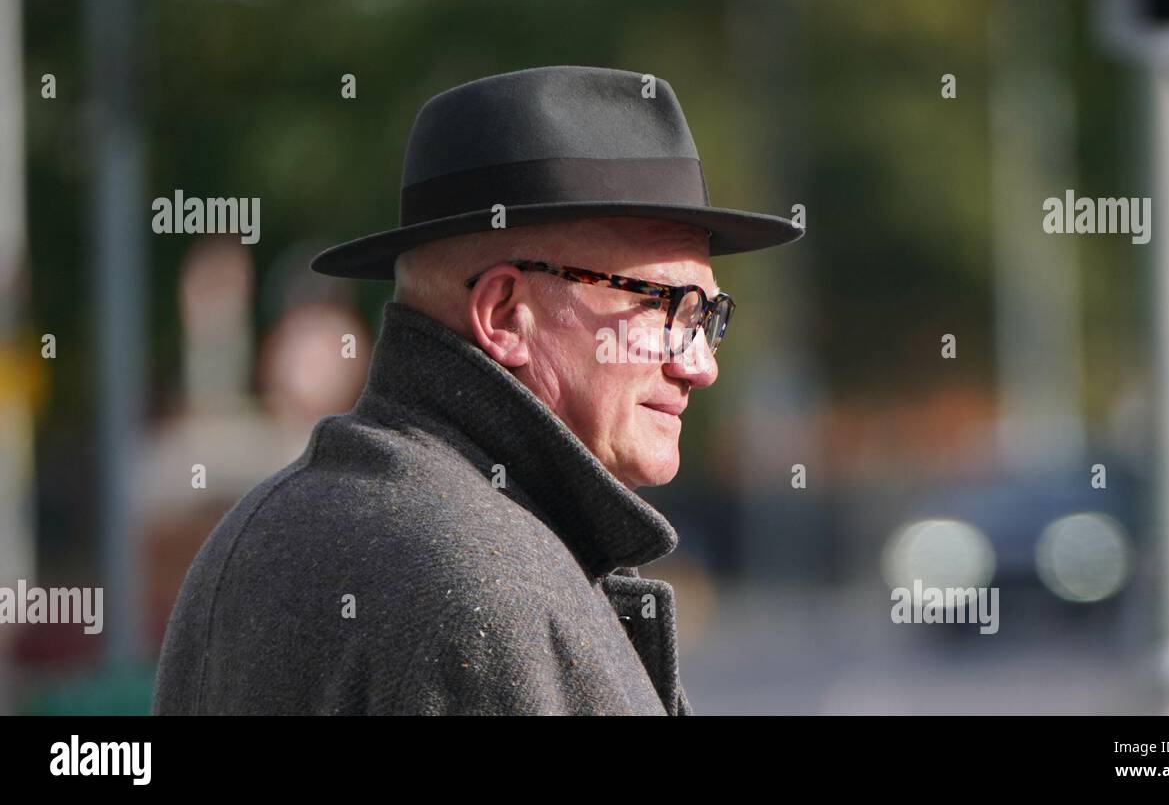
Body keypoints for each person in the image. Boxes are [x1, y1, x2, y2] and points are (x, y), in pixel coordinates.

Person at [154, 65, 803, 715]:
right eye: (668, 308)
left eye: (707, 320)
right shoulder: (499, 595)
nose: (700, 365)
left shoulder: (255, 532)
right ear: (502, 315)